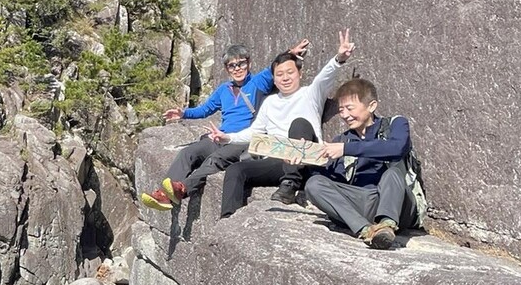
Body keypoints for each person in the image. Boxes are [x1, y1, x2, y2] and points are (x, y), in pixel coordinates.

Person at [140, 38, 308, 211]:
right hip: (220, 137)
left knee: (215, 159)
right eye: (232, 66)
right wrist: (184, 113)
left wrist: (290, 53)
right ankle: (165, 195)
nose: (237, 69)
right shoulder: (223, 89)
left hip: (243, 141)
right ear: (227, 69)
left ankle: (183, 189)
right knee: (188, 153)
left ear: (249, 63)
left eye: (241, 64)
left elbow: (276, 67)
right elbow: (205, 109)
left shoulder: (258, 82)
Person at [215, 29, 355, 217]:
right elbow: (254, 132)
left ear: (300, 73)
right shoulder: (270, 102)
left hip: (307, 160)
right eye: (279, 74)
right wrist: (227, 138)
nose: (285, 77)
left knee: (299, 124)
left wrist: (339, 58)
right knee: (235, 170)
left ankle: (290, 184)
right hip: (278, 161)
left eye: (290, 72)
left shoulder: (310, 94)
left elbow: (324, 78)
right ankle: (227, 220)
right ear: (274, 79)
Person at [302, 77, 417, 249]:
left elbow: (397, 148)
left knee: (392, 174)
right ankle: (366, 230)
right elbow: (333, 180)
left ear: (371, 106)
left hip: (398, 203)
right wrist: (303, 163)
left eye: (350, 108)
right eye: (341, 110)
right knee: (314, 184)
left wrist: (347, 149)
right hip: (363, 203)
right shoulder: (342, 140)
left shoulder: (396, 124)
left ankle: (387, 225)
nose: (344, 115)